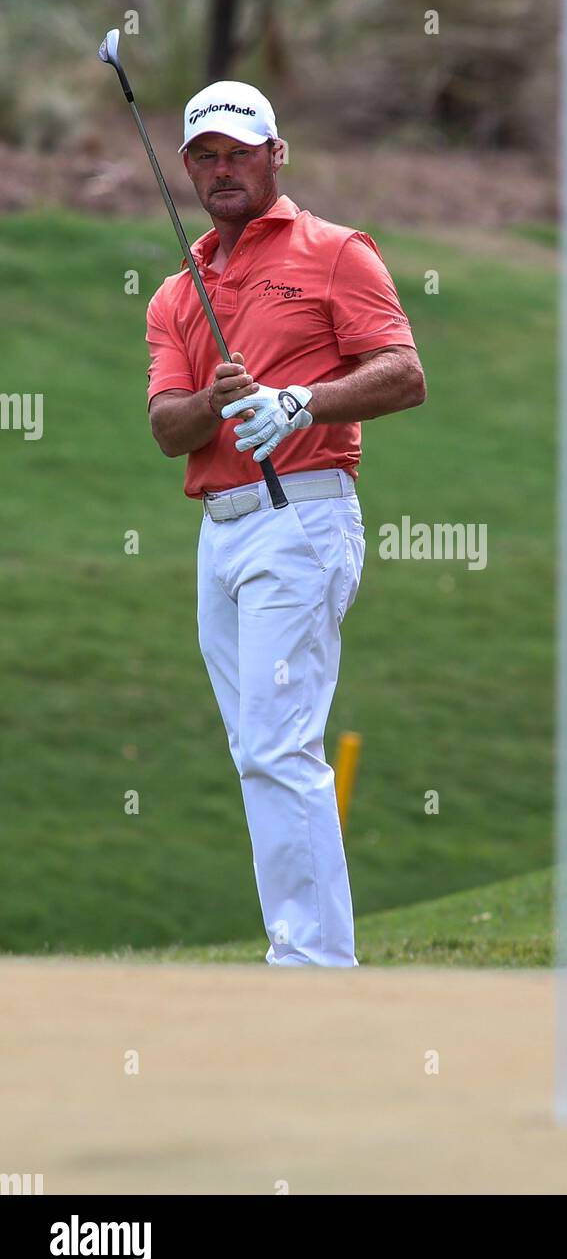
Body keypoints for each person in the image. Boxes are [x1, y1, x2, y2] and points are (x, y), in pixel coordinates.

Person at [145, 80, 426, 967]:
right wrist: (214, 401)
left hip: (300, 517)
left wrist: (301, 401)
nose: (222, 171)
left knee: (277, 744)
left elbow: (403, 372)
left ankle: (311, 968)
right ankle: (304, 954)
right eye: (205, 157)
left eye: (239, 152)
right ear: (188, 168)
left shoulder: (336, 251)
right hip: (218, 532)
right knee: (257, 750)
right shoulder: (178, 290)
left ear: (277, 153)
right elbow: (165, 429)